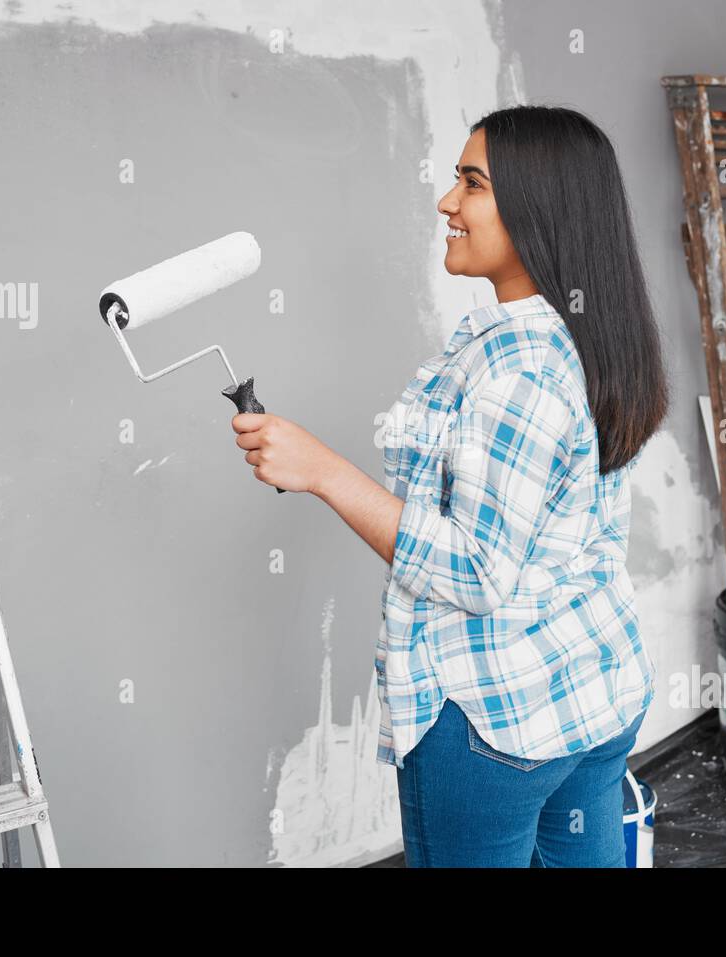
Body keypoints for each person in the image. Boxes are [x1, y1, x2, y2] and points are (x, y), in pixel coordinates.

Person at [230, 104, 670, 867]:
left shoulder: (519, 372)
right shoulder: (590, 333)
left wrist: (323, 473)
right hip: (594, 691)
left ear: (539, 210)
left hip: (494, 729)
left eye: (472, 183)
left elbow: (473, 570)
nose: (446, 202)